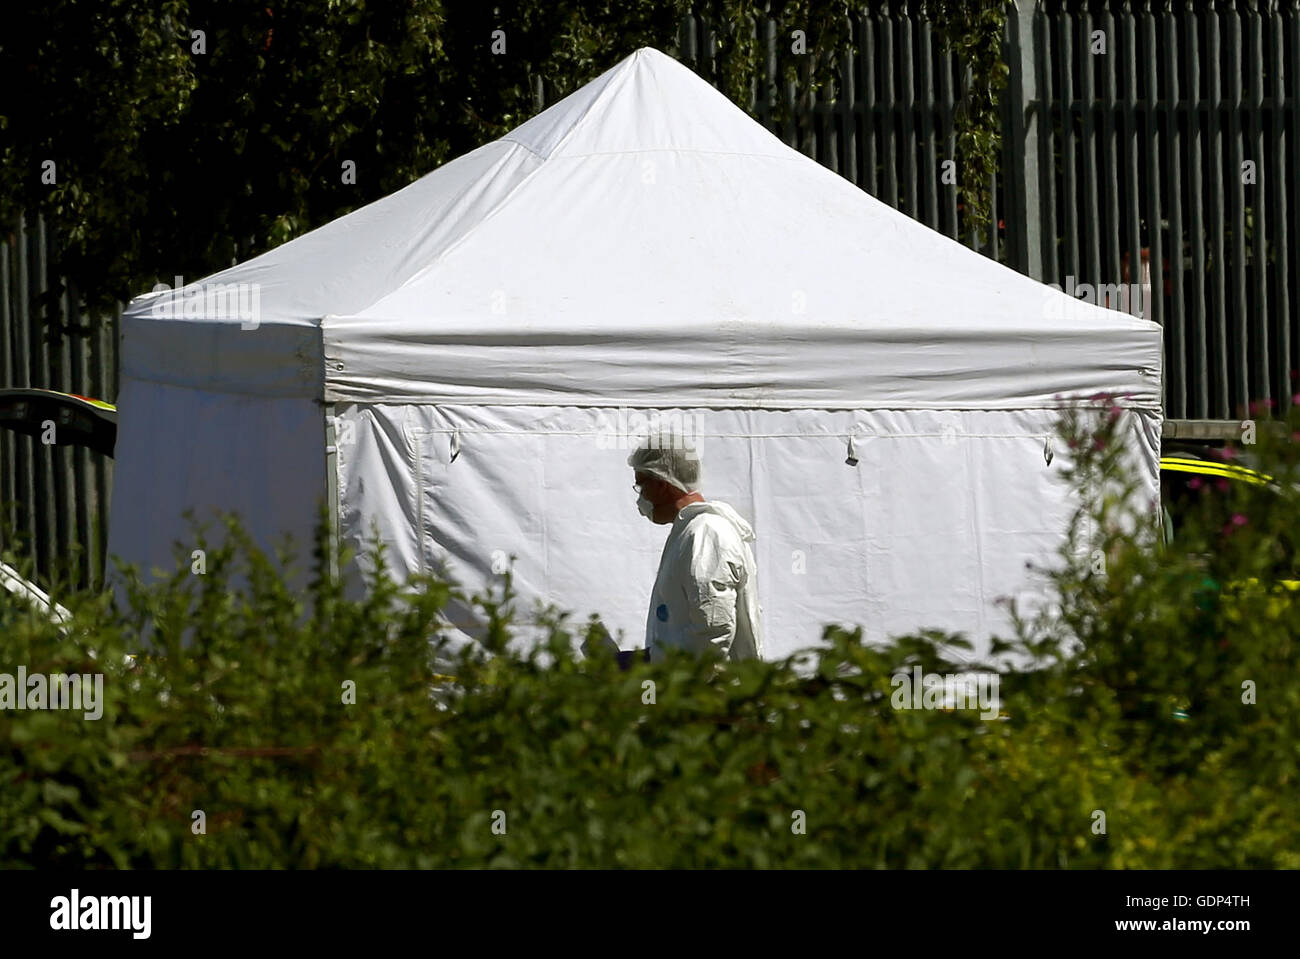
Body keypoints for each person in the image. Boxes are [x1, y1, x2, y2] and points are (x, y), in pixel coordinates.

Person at [628, 434, 763, 663]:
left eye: (641, 485)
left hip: (711, 694)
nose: (640, 497)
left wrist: (662, 670)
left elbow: (713, 630)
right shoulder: (690, 531)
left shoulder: (707, 533)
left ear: (661, 484)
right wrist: (653, 659)